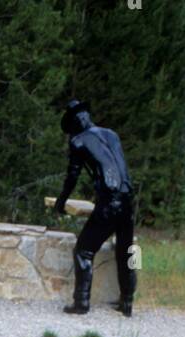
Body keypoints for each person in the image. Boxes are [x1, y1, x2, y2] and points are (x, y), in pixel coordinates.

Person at [54, 99, 136, 317]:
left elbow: (72, 176)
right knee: (126, 251)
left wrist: (61, 201)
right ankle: (127, 302)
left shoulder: (78, 141)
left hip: (109, 201)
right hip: (128, 200)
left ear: (75, 122)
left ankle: (81, 302)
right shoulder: (111, 134)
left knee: (84, 250)